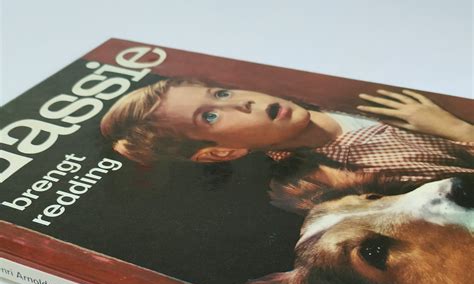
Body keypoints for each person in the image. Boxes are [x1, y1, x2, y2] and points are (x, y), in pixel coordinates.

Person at [100, 78, 474, 182]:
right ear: (221, 152)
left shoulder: (319, 96)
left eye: (221, 93)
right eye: (210, 117)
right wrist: (456, 128)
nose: (242, 102)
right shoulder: (357, 165)